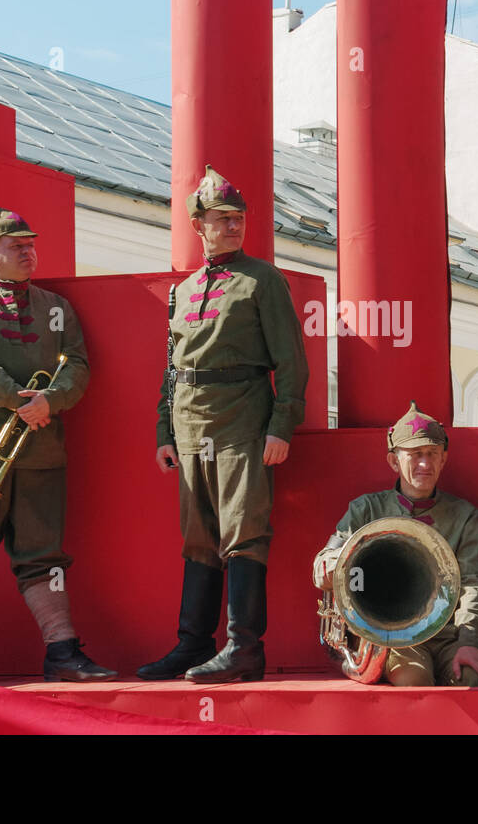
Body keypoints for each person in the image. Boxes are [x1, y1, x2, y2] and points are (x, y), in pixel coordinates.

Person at [138, 165, 309, 683]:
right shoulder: (184, 290)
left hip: (243, 417)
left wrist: (282, 424)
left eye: (238, 218)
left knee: (243, 530)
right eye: (222, 218)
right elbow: (172, 368)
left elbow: (293, 362)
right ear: (200, 225)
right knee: (198, 535)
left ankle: (243, 648)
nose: (233, 226)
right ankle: (193, 645)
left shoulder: (264, 280)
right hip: (190, 420)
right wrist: (165, 432)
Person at [0, 207, 115, 684]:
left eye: (30, 244)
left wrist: (50, 401)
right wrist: (20, 400)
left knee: (43, 554)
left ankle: (62, 651)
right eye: (16, 246)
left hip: (41, 444)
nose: (28, 252)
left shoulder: (56, 305)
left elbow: (77, 365)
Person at [313, 402, 478, 686]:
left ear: (444, 459)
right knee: (414, 683)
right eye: (415, 455)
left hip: (449, 636)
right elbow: (319, 570)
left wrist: (469, 641)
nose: (425, 464)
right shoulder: (365, 509)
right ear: (394, 461)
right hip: (395, 640)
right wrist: (347, 559)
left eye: (432, 454)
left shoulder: (465, 516)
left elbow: (475, 583)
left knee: (475, 681)